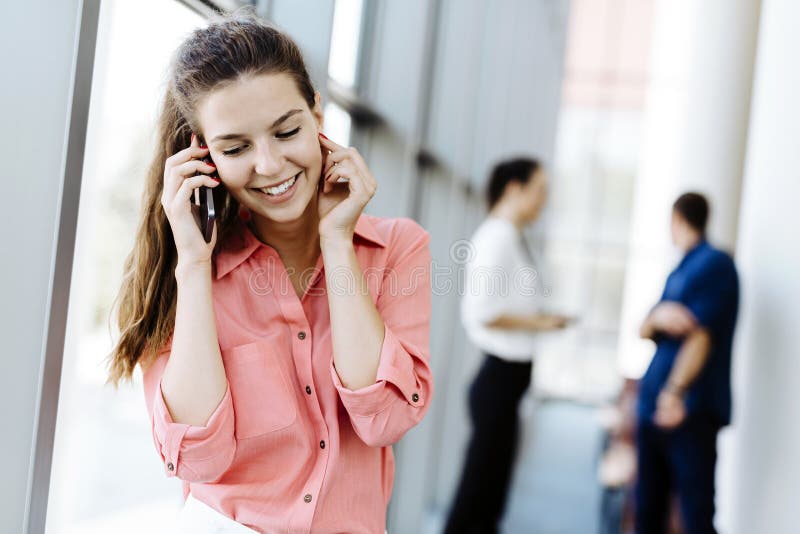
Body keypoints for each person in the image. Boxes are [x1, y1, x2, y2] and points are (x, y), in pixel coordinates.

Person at [107, 12, 433, 534]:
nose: (270, 164)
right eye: (236, 148)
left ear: (317, 115)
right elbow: (198, 458)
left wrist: (337, 242)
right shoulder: (190, 271)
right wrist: (192, 266)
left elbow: (385, 419)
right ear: (203, 154)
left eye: (287, 131)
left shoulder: (397, 248)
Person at [444, 157, 570, 534]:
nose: (544, 200)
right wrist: (541, 322)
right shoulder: (496, 238)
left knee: (490, 495)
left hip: (508, 382)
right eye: (539, 191)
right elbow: (480, 311)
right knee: (477, 496)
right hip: (497, 379)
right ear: (514, 189)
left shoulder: (511, 236)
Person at [635, 192, 739, 534]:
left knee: (695, 514)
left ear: (676, 219)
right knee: (647, 508)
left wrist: (675, 393)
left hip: (687, 411)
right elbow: (645, 327)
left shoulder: (715, 264)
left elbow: (702, 335)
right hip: (653, 407)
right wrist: (658, 316)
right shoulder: (680, 268)